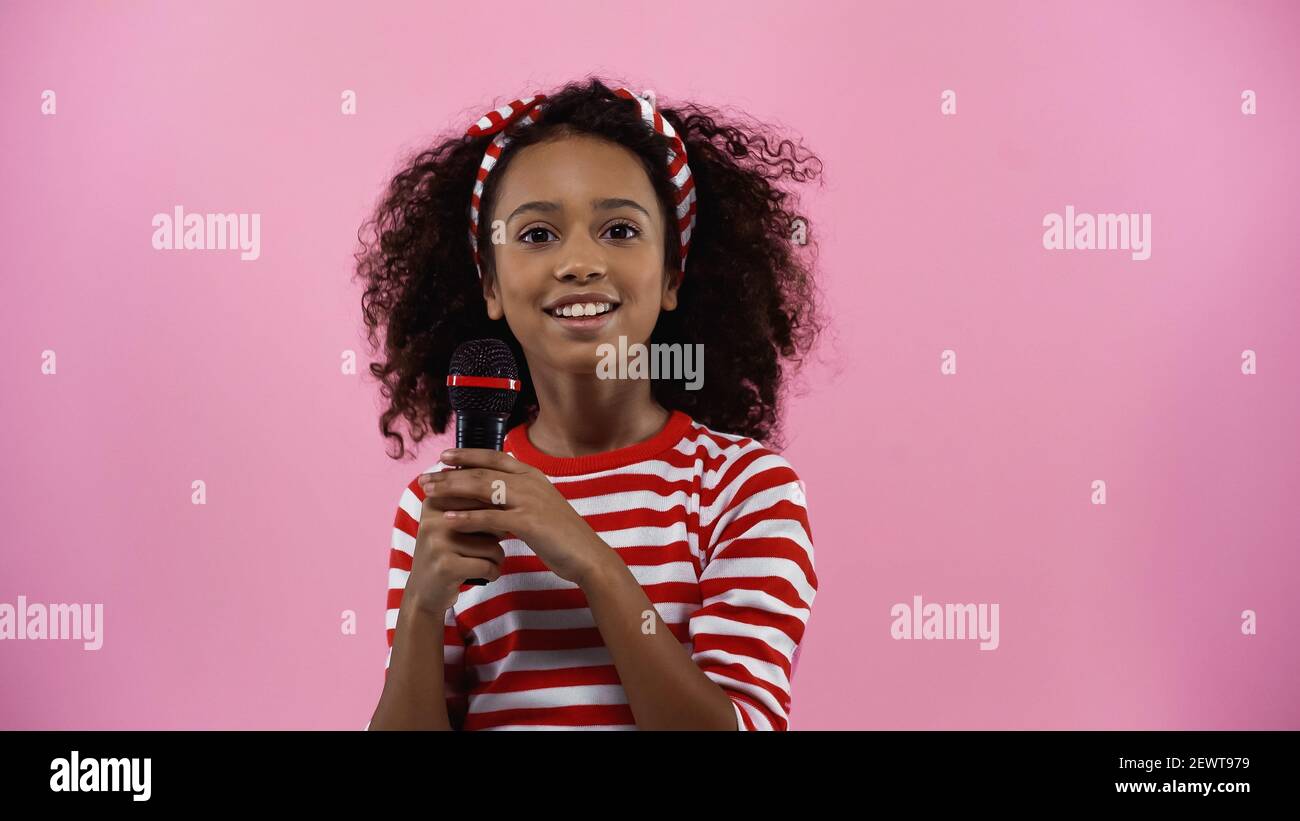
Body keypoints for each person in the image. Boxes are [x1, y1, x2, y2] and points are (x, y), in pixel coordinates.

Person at [358, 76, 824, 730]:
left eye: (619, 229)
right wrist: (422, 610)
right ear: (490, 284)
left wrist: (590, 560)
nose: (579, 260)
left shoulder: (746, 494)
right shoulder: (442, 507)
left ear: (670, 276)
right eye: (537, 234)